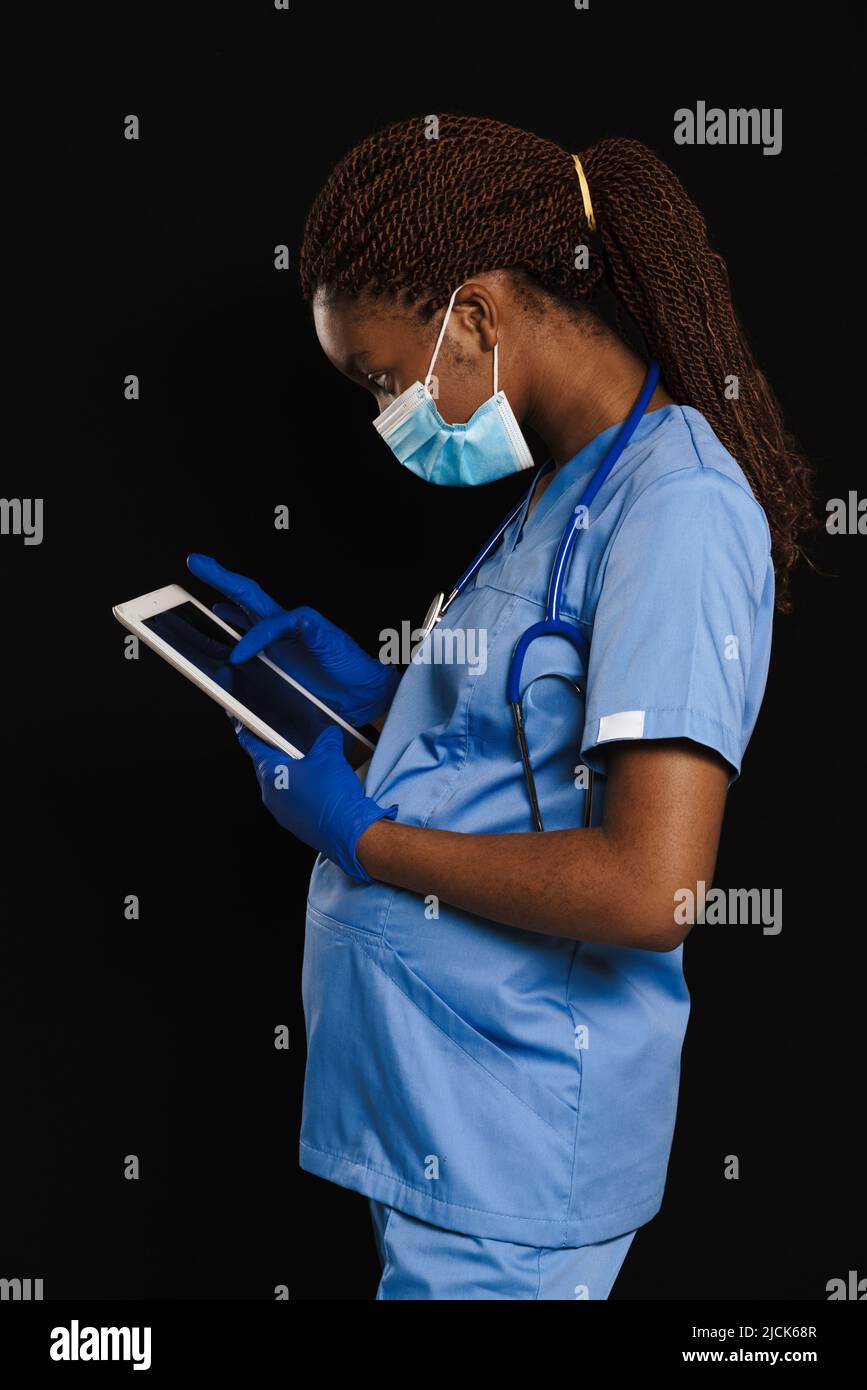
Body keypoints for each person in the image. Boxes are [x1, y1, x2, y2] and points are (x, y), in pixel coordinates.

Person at [188, 115, 814, 1300]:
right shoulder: (567, 483)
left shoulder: (676, 510)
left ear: (474, 316)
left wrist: (365, 840)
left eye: (383, 377)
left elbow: (653, 886)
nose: (386, 418)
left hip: (518, 1145)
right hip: (450, 1121)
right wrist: (384, 697)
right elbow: (531, 743)